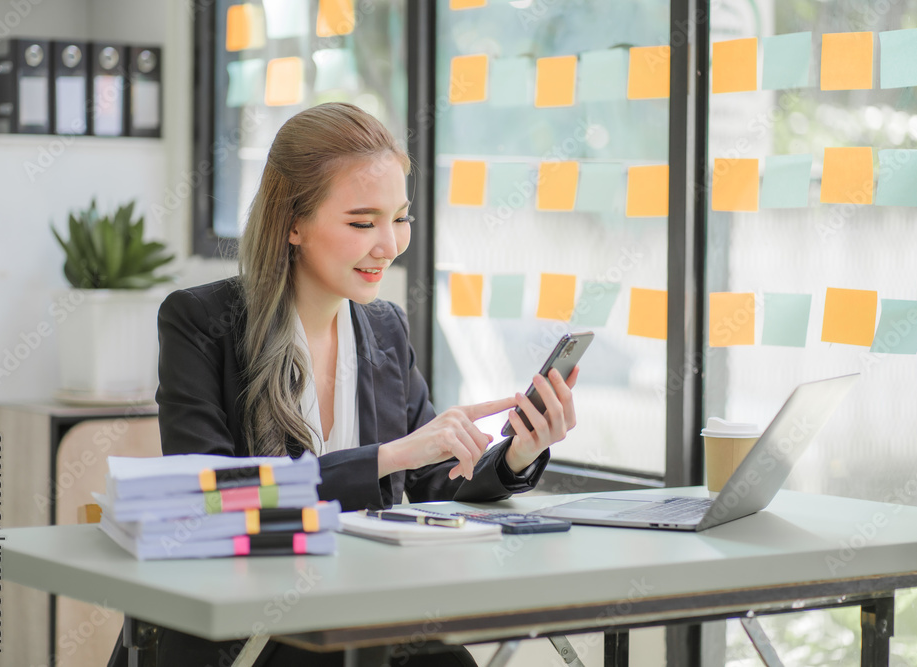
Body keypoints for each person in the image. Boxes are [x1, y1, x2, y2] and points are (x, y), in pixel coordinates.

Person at [107, 102, 579, 667]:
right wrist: (386, 457)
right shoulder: (200, 324)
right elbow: (214, 501)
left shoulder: (383, 328)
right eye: (362, 222)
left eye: (399, 217)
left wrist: (517, 454)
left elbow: (437, 490)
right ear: (293, 222)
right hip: (247, 632)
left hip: (359, 617)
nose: (390, 244)